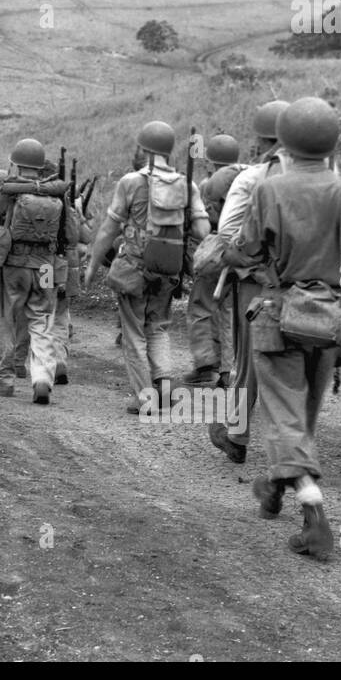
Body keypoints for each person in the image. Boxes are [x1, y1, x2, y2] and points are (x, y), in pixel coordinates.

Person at [227, 97, 341, 563]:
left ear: (282, 140)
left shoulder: (269, 190)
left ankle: (314, 511)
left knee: (283, 416)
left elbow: (245, 250)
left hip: (279, 315)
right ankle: (273, 489)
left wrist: (231, 258)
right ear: (334, 141)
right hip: (332, 319)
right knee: (303, 417)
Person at [84, 121, 209, 414]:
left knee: (134, 333)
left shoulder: (131, 182)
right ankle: (164, 386)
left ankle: (145, 399)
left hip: (134, 268)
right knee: (159, 328)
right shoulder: (187, 184)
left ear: (145, 149)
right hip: (169, 268)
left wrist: (92, 265)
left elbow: (107, 231)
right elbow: (203, 230)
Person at [206, 101, 290, 464]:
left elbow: (228, 233)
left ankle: (238, 434)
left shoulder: (253, 177)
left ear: (263, 140)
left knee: (250, 359)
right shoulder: (329, 179)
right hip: (310, 287)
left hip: (259, 283)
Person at [0, 140, 69, 404]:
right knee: (42, 319)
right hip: (45, 266)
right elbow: (70, 235)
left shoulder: (7, 193)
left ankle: (5, 380)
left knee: (8, 319)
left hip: (15, 266)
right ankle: (42, 377)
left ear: (16, 164)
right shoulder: (56, 194)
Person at [186, 133, 244, 388]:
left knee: (200, 307)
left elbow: (204, 222)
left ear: (211, 161)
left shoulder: (209, 185)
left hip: (216, 249)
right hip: (242, 252)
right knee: (229, 312)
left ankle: (204, 365)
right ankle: (228, 370)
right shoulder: (248, 180)